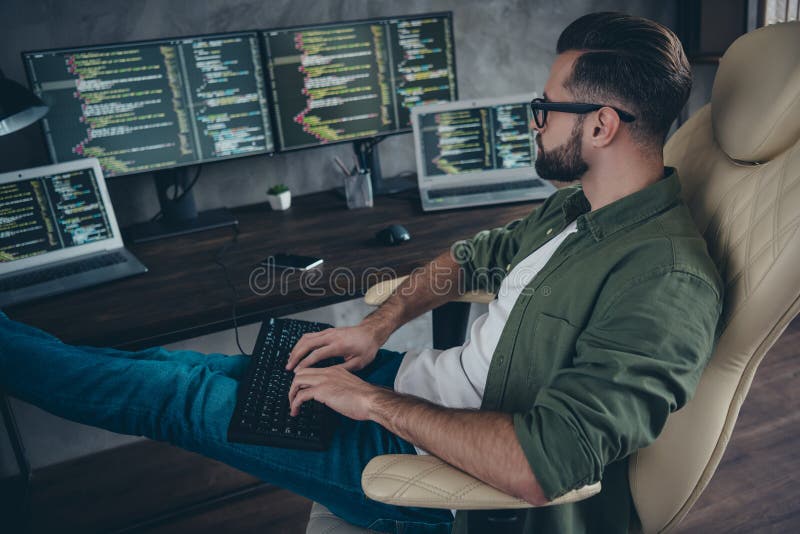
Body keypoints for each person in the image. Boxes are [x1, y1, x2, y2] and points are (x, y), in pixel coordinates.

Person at [0, 12, 722, 534]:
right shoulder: (577, 210)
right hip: (419, 391)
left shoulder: (666, 281)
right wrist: (375, 330)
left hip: (441, 476)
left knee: (169, 397)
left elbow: (546, 463)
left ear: (598, 126)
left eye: (544, 107)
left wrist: (370, 404)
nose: (532, 121)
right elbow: (471, 256)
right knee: (184, 370)